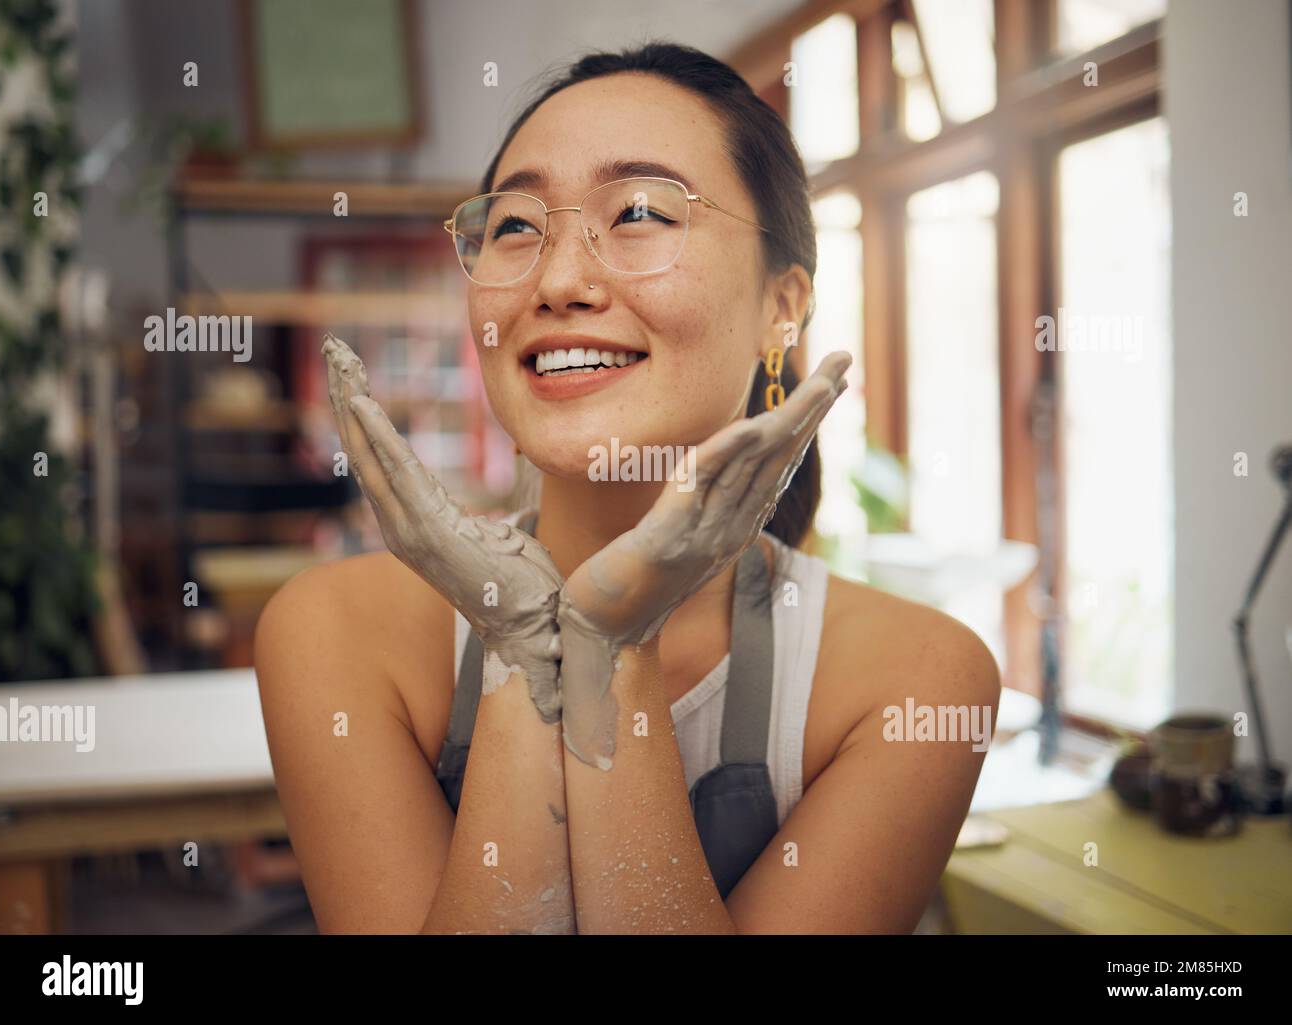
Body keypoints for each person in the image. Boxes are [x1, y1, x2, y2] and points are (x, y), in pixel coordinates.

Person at [254, 41, 1000, 935]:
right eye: (516, 227)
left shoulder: (918, 684)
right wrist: (523, 646)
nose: (560, 279)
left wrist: (613, 644)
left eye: (640, 211)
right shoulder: (334, 632)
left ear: (783, 304)